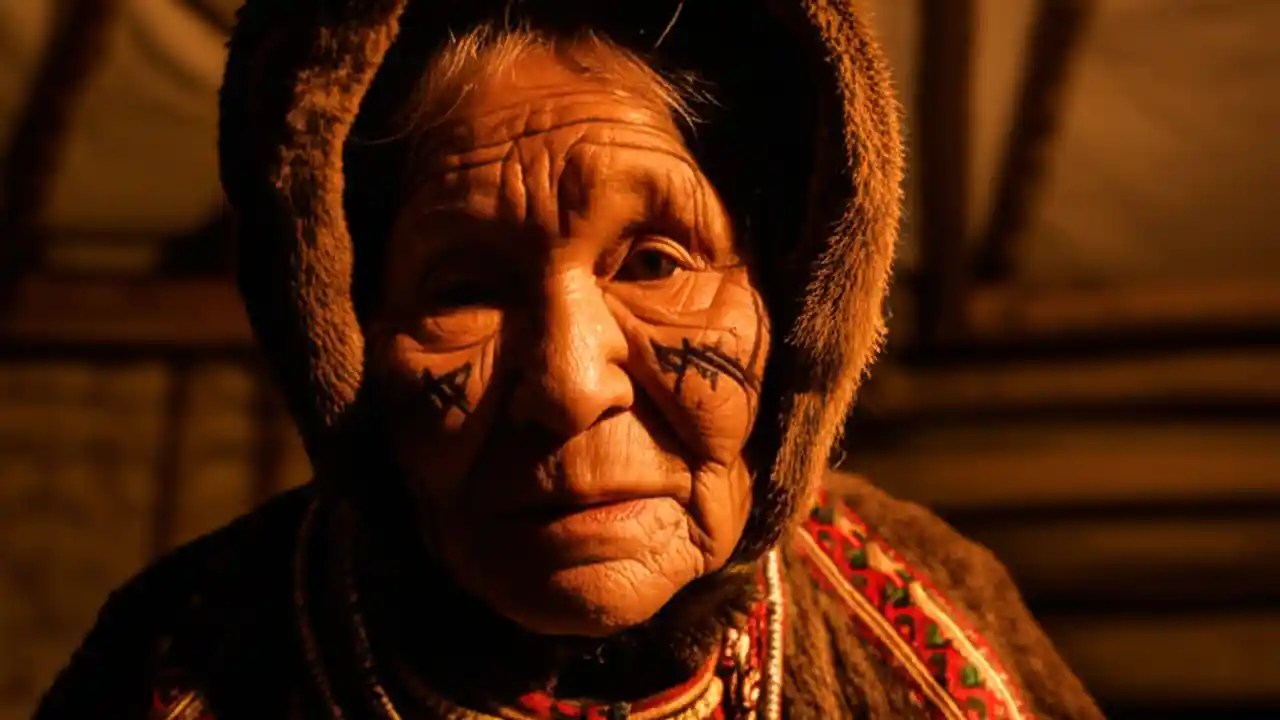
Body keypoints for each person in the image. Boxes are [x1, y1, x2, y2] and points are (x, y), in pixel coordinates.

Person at [36, 1, 1103, 718]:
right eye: (460, 291)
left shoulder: (929, 627)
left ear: (798, 293)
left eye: (653, 262)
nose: (568, 385)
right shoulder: (184, 663)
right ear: (332, 325)